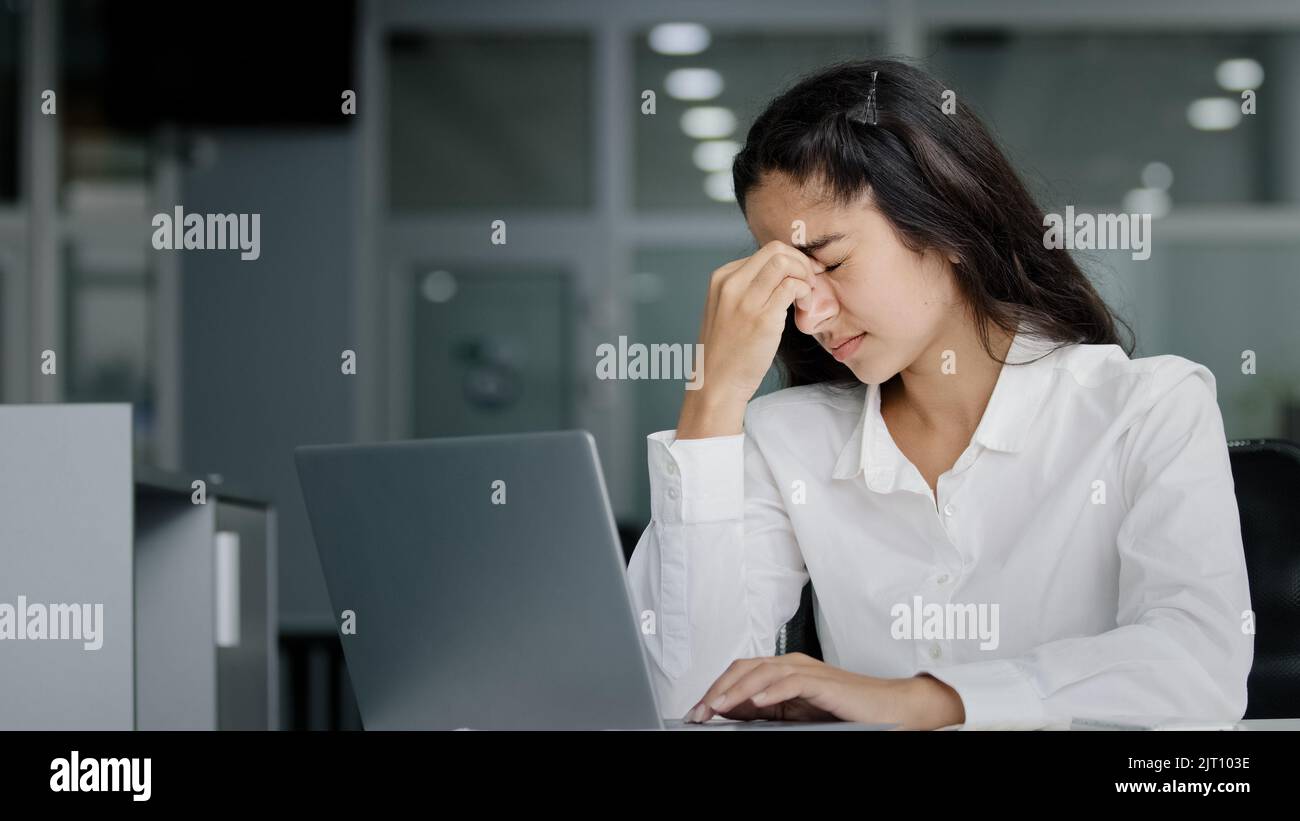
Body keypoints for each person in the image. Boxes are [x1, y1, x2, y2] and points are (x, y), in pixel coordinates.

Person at [625, 58, 1254, 730]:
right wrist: (712, 399)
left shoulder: (1150, 409)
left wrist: (923, 700)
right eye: (784, 278)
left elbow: (1199, 665)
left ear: (942, 223)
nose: (806, 316)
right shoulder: (788, 439)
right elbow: (682, 699)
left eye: (832, 262)